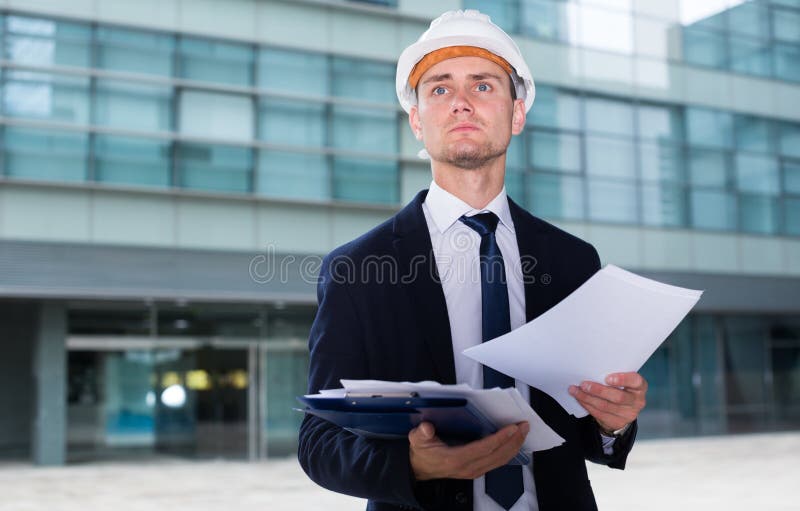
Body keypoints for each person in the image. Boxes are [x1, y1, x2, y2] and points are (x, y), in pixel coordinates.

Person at [298, 9, 647, 511]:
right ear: (417, 121)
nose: (461, 102)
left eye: (482, 86)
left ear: (517, 113)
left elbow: (589, 430)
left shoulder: (573, 260)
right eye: (439, 89)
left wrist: (615, 419)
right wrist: (415, 465)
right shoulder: (356, 269)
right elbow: (320, 441)